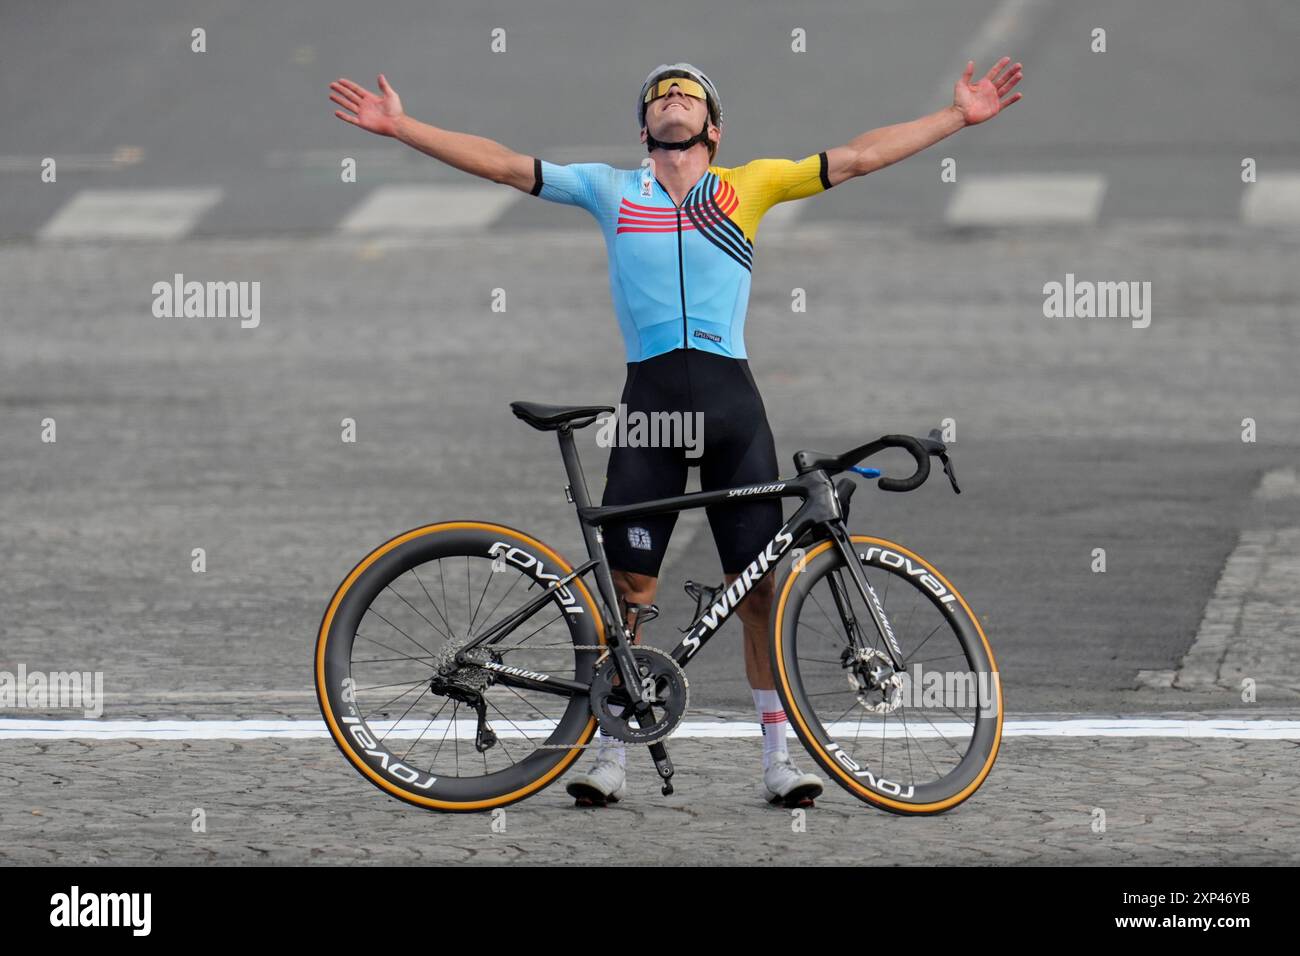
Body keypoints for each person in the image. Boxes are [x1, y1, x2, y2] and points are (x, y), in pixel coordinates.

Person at [330, 58, 1022, 808]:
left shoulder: (750, 185)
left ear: (713, 128)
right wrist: (401, 126)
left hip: (732, 406)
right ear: (644, 127)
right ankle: (611, 755)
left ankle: (776, 763)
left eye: (688, 95)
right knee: (630, 588)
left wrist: (956, 118)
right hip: (652, 406)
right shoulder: (610, 189)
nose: (672, 102)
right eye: (659, 96)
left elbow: (857, 157)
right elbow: (503, 165)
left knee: (758, 591)